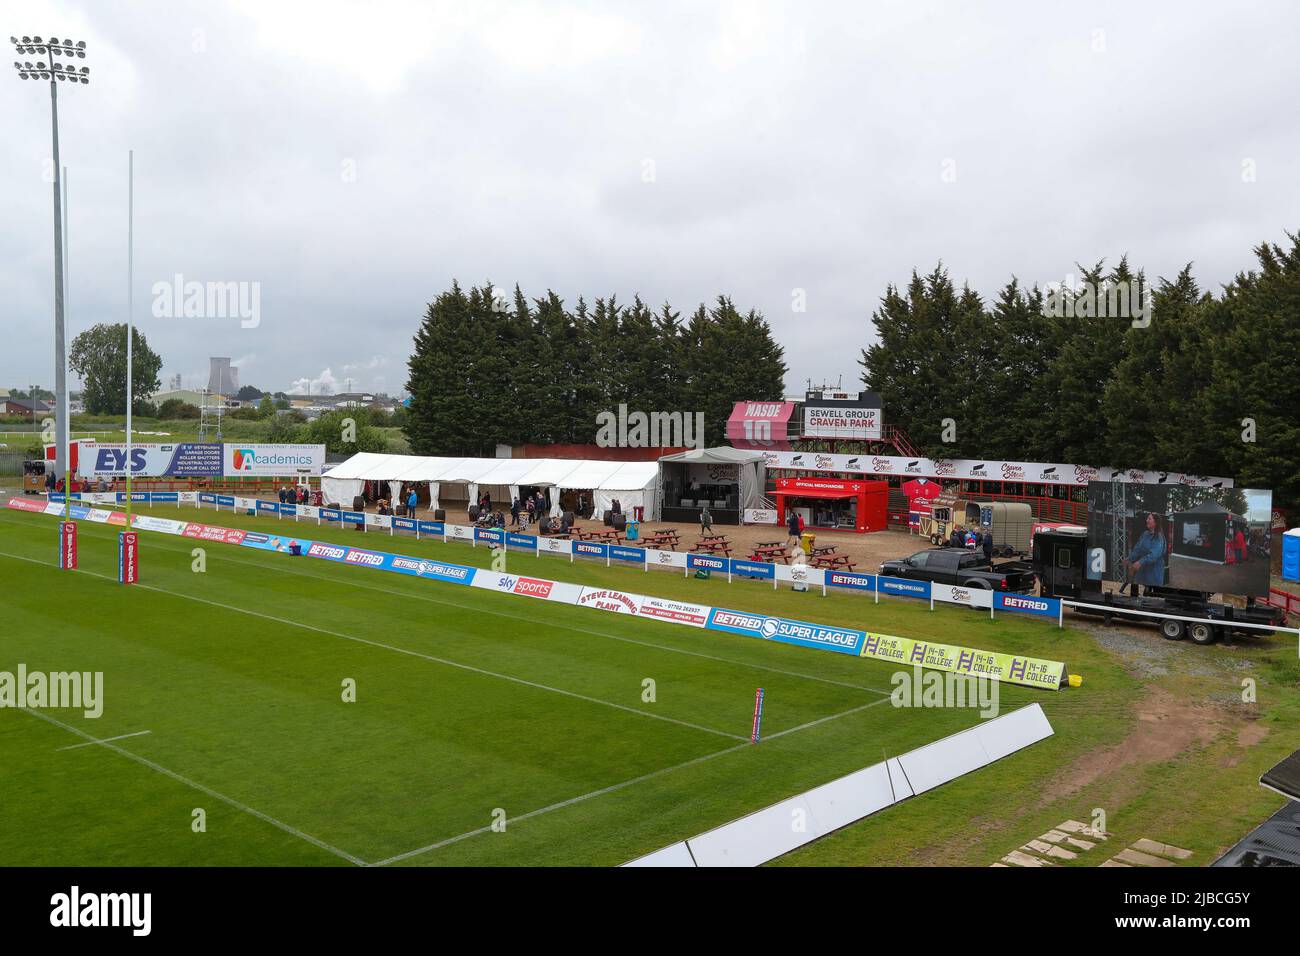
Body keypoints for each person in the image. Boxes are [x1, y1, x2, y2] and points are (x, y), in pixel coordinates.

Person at [1126, 512, 1167, 595]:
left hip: (1154, 572)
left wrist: (1140, 562)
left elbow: (1153, 556)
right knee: (1138, 594)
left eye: (1149, 519)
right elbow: (1138, 549)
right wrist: (1129, 559)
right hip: (1142, 572)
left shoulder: (1159, 537)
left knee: (1151, 598)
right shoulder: (1145, 534)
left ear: (1155, 523)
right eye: (1147, 518)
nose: (1146, 520)